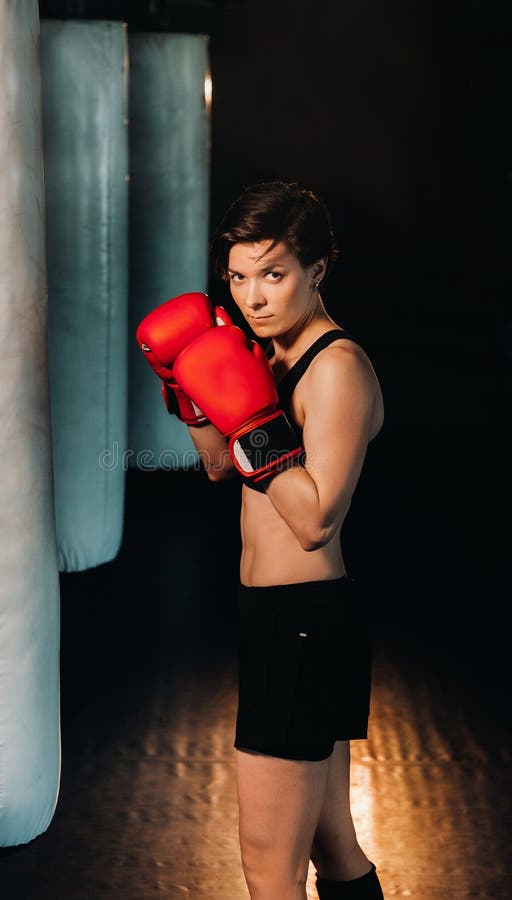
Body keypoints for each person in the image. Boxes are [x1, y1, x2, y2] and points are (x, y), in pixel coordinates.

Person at [136, 180, 385, 900]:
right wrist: (189, 392)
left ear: (317, 270)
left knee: (267, 872)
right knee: (334, 846)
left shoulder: (336, 369)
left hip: (305, 620)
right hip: (280, 620)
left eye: (273, 274)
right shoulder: (265, 356)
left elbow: (315, 519)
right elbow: (221, 467)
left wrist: (254, 421)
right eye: (239, 277)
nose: (253, 296)